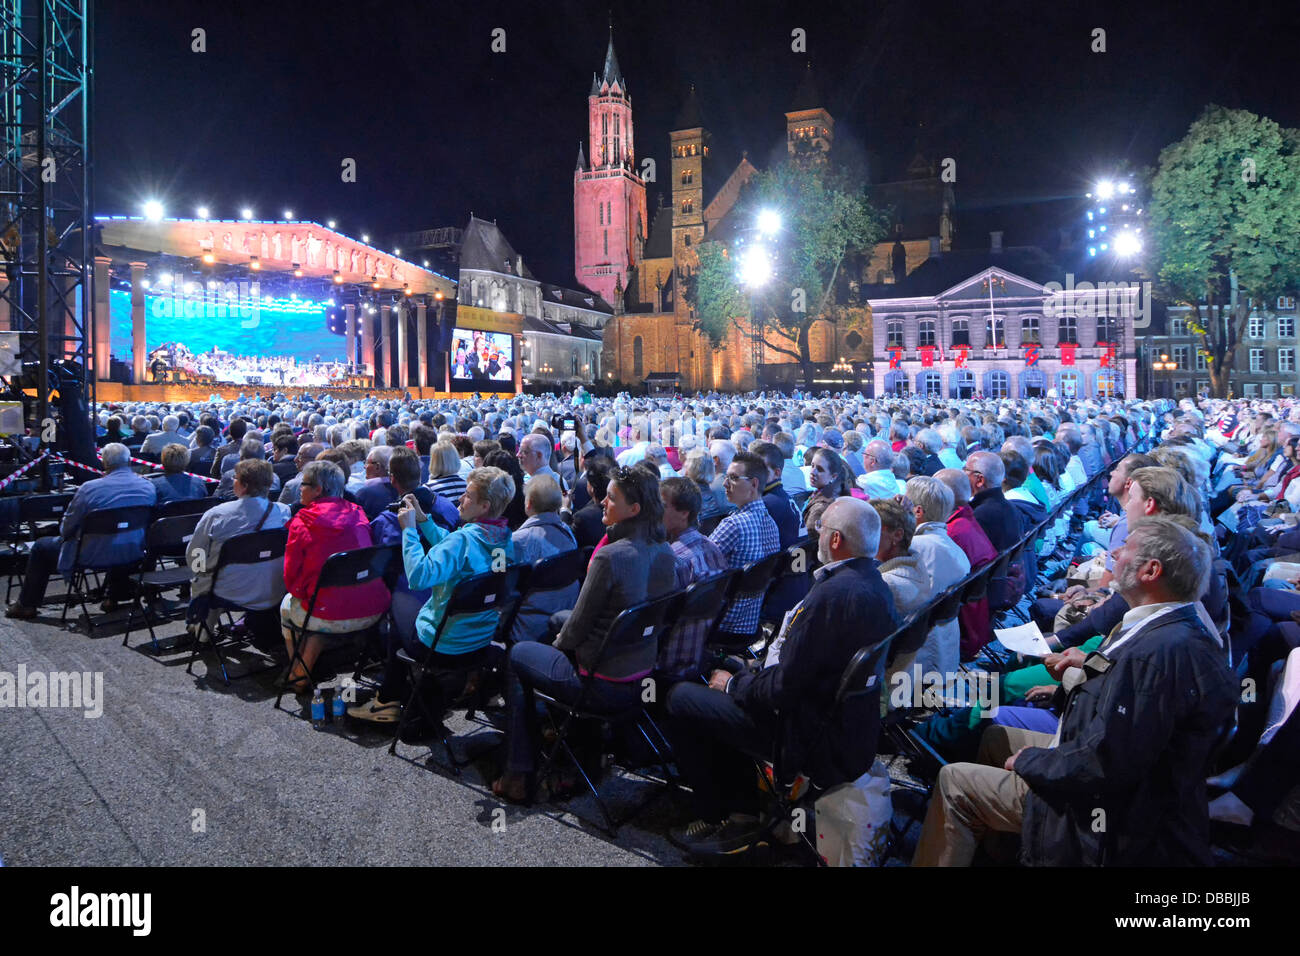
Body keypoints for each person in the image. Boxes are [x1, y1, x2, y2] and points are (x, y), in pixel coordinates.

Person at [912, 516, 1237, 866]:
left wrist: (1031, 761)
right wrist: (1065, 690)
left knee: (954, 782)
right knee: (994, 738)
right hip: (1107, 772)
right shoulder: (1167, 626)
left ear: (1151, 571)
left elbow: (1105, 764)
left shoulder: (1156, 654)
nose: (1115, 552)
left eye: (1126, 549)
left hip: (1106, 818)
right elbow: (1123, 705)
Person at [665, 497, 899, 854]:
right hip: (843, 725)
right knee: (724, 666)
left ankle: (729, 814)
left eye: (821, 531)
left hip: (804, 732)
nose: (816, 536)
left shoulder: (833, 596)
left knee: (680, 697)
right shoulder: (874, 583)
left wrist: (734, 684)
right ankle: (742, 797)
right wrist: (744, 676)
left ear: (835, 540)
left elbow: (783, 689)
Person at [494, 464, 676, 801]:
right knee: (554, 625)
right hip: (641, 673)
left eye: (611, 498)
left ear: (633, 509)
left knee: (519, 654)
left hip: (601, 682)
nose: (602, 502)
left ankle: (519, 769)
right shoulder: (664, 550)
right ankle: (577, 753)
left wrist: (559, 648)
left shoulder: (609, 556)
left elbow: (576, 631)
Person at [348, 467, 516, 723]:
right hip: (478, 640)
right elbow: (455, 549)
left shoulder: (462, 542)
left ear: (484, 505)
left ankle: (387, 699)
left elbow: (418, 577)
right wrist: (424, 520)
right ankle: (412, 691)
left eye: (468, 496)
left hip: (443, 645)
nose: (461, 499)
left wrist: (410, 530)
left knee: (397, 599)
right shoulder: (503, 538)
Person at [6, 443, 158, 619]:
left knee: (40, 547)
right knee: (122, 533)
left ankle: (27, 605)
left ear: (104, 463)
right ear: (129, 461)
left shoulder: (89, 489)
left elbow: (67, 528)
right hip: (133, 551)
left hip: (91, 553)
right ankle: (113, 597)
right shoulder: (148, 487)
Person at [279, 461, 391, 691]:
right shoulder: (358, 513)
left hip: (328, 613)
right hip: (373, 608)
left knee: (288, 606)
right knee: (319, 603)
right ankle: (302, 670)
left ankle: (298, 672)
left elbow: (291, 580)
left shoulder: (302, 521)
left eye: (304, 484)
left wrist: (307, 594)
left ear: (318, 490)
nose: (300, 488)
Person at [186, 458, 291, 647]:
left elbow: (195, 553)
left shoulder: (217, 515)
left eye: (235, 478)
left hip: (230, 589)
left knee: (205, 576)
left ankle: (203, 633)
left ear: (243, 485)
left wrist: (199, 575)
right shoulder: (284, 512)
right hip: (275, 588)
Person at [659, 476, 729, 682]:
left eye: (662, 506)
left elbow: (654, 620)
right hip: (699, 652)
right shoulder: (712, 547)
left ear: (684, 513)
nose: (655, 512)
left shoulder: (674, 559)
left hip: (668, 658)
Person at [903, 476, 970, 678]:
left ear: (918, 511)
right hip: (943, 651)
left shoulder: (916, 548)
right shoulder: (953, 547)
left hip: (917, 656)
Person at [710, 450, 780, 641]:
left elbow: (700, 567)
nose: (725, 484)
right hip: (750, 622)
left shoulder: (734, 525)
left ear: (754, 484)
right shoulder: (771, 523)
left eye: (733, 478)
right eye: (726, 477)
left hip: (724, 623)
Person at [510, 475, 580, 642]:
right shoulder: (567, 532)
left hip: (526, 629)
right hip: (562, 621)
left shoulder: (518, 540)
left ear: (528, 504)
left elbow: (501, 582)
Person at [801, 446, 854, 535]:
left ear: (833, 476)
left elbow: (809, 541)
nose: (812, 472)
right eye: (812, 465)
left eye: (820, 469)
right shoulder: (835, 489)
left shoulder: (821, 507)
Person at [568, 458, 611, 549]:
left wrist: (565, 510)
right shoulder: (622, 509)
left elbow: (566, 541)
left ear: (591, 487)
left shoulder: (583, 518)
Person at [354, 444, 399, 520]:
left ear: (377, 467)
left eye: (367, 463)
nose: (365, 466)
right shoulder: (401, 489)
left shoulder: (365, 494)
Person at [276, 442, 326, 507]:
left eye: (300, 456)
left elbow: (282, 511)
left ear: (315, 459)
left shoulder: (293, 485)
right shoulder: (336, 480)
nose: (295, 459)